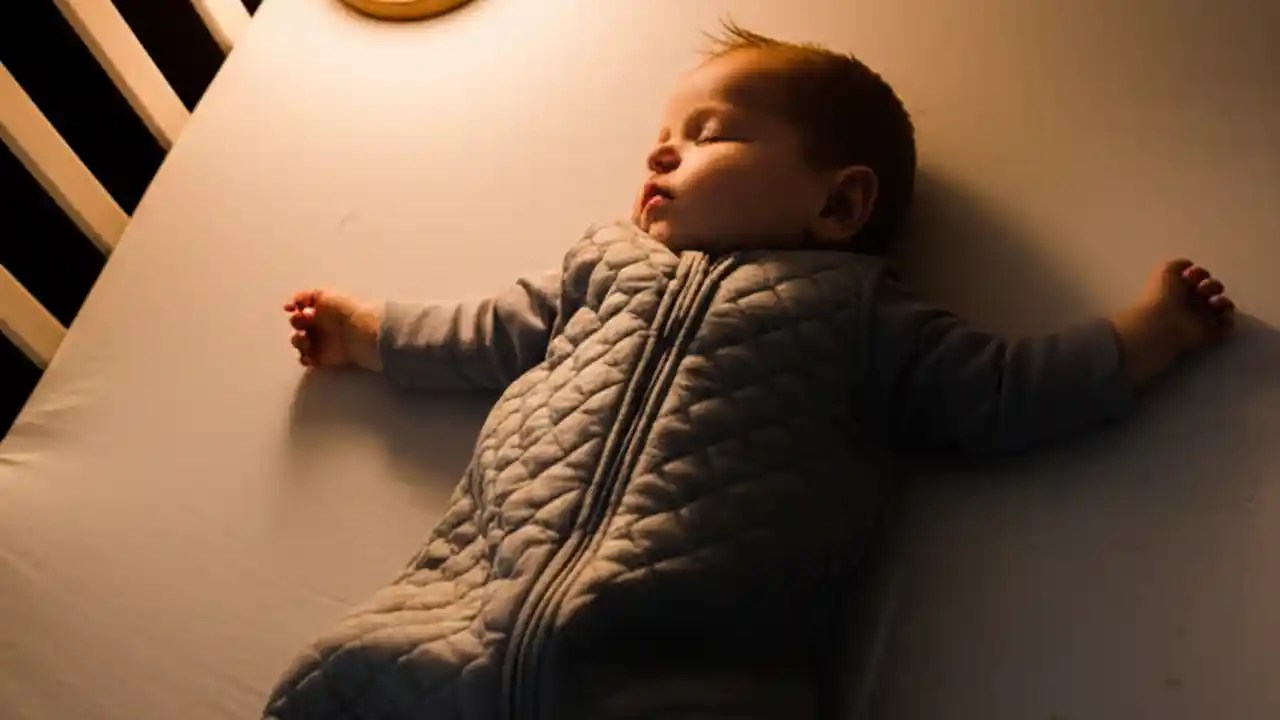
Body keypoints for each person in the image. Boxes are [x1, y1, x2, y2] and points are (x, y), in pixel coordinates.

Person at [266, 21, 1235, 720]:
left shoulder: (858, 315)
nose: (659, 150)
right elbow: (483, 333)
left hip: (685, 668)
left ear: (837, 207)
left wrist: (1145, 335)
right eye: (662, 133)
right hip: (457, 625)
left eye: (707, 133)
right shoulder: (599, 266)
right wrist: (366, 330)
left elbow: (1001, 391)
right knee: (337, 673)